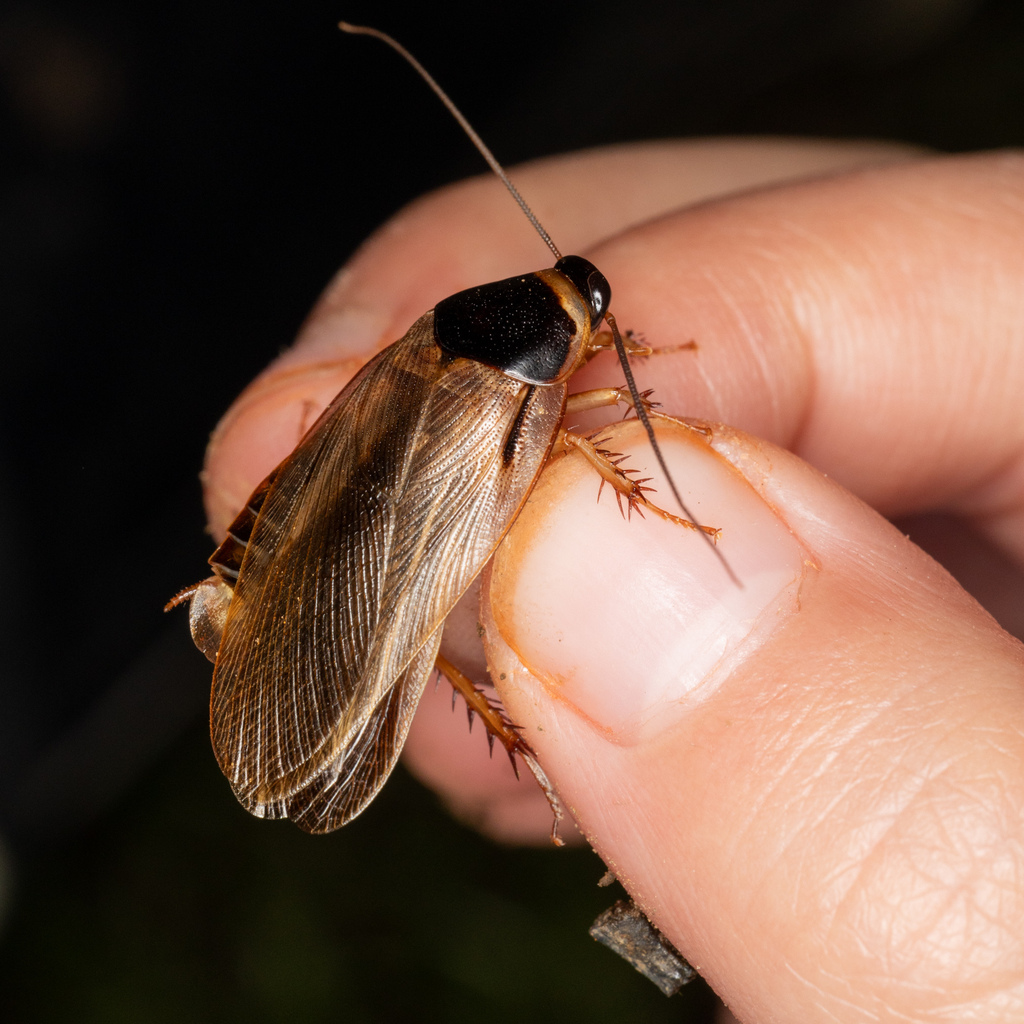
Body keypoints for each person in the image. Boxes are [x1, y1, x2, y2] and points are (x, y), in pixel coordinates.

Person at [200, 139, 1024, 1023]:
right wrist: (666, 522)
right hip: (320, 528)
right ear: (572, 336)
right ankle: (515, 751)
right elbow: (587, 422)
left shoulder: (474, 332)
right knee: (418, 599)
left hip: (300, 529)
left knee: (422, 601)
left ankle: (503, 751)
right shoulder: (534, 383)